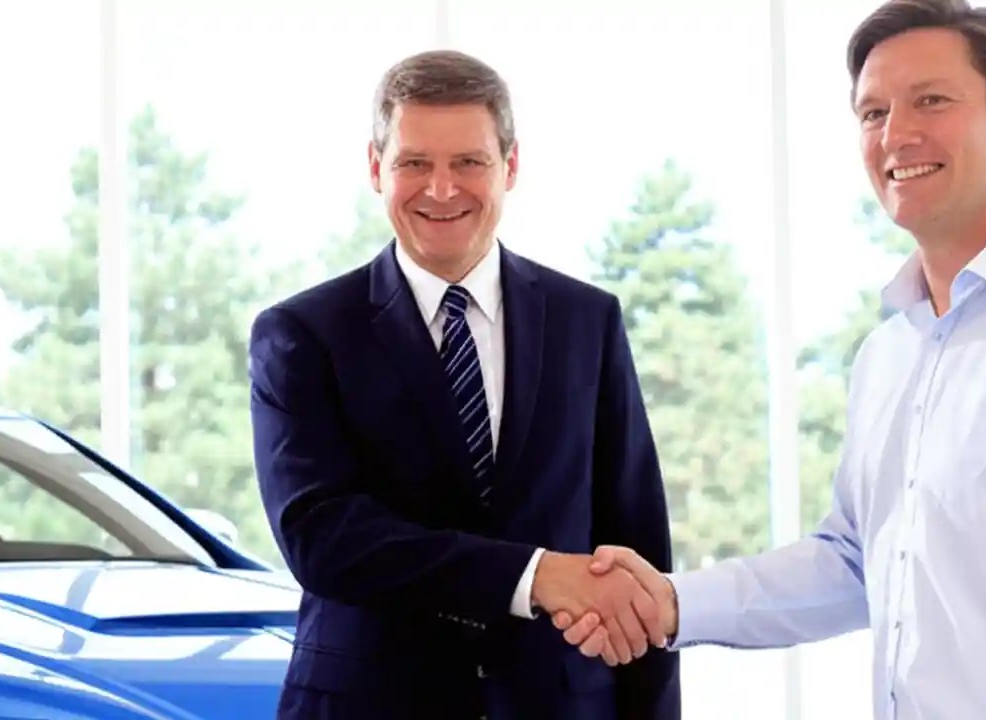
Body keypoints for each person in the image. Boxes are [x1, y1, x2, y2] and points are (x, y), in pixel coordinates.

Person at [555, 0, 986, 717]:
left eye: (931, 101)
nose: (896, 135)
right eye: (872, 114)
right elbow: (852, 563)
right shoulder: (889, 352)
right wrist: (669, 600)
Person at [249, 49, 680, 720]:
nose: (441, 190)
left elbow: (638, 549)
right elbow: (324, 539)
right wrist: (534, 576)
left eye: (469, 163)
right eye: (414, 163)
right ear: (375, 168)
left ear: (510, 166)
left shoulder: (586, 321)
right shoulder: (303, 334)